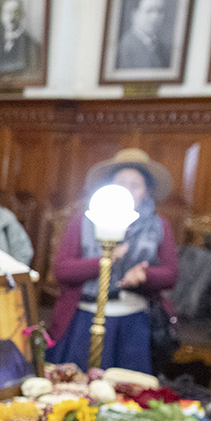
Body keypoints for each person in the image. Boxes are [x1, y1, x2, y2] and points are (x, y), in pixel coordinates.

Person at [47, 149, 179, 374]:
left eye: (135, 185)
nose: (128, 190)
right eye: (121, 183)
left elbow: (171, 275)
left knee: (127, 388)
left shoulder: (158, 225)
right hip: (85, 315)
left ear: (146, 191)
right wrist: (104, 261)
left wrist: (145, 275)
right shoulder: (84, 221)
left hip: (132, 319)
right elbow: (62, 270)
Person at [0, 0, 41, 77]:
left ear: (22, 14)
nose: (11, 17)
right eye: (7, 12)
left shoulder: (31, 45)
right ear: (1, 15)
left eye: (16, 12)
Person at [115, 0, 172, 70]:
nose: (155, 17)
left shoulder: (164, 49)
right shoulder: (123, 46)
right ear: (135, 14)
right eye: (149, 11)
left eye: (160, 11)